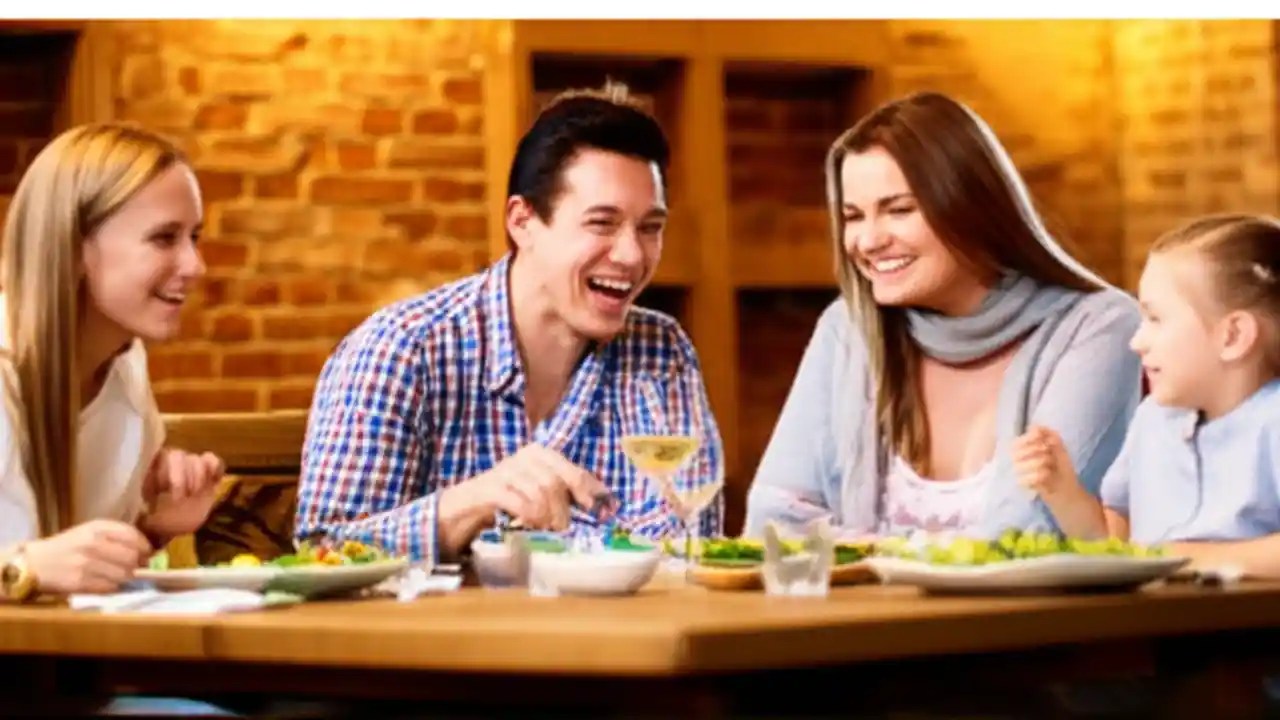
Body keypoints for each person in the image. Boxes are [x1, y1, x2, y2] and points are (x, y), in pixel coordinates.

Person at [296, 83, 725, 564]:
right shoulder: (401, 348)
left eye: (650, 228)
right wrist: (474, 501)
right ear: (522, 222)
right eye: (602, 223)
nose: (631, 256)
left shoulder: (661, 350)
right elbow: (321, 550)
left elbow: (691, 539)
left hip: (612, 639)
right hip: (442, 640)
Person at [743, 91, 1142, 541]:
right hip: (853, 614)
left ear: (969, 206)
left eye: (899, 210)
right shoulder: (847, 329)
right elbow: (773, 525)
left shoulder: (1100, 328)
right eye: (853, 217)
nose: (868, 241)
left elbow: (1029, 535)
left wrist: (858, 553)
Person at [0, 122, 225, 604]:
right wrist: (24, 566)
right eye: (165, 238)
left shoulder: (125, 368)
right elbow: (42, 566)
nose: (195, 266)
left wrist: (156, 529)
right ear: (76, 247)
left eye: (195, 237)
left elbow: (81, 581)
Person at [1015, 213, 1280, 577]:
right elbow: (1115, 547)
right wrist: (1063, 493)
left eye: (1155, 319)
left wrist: (1184, 558)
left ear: (1232, 336)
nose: (1137, 342)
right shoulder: (1152, 420)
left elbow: (1150, 556)